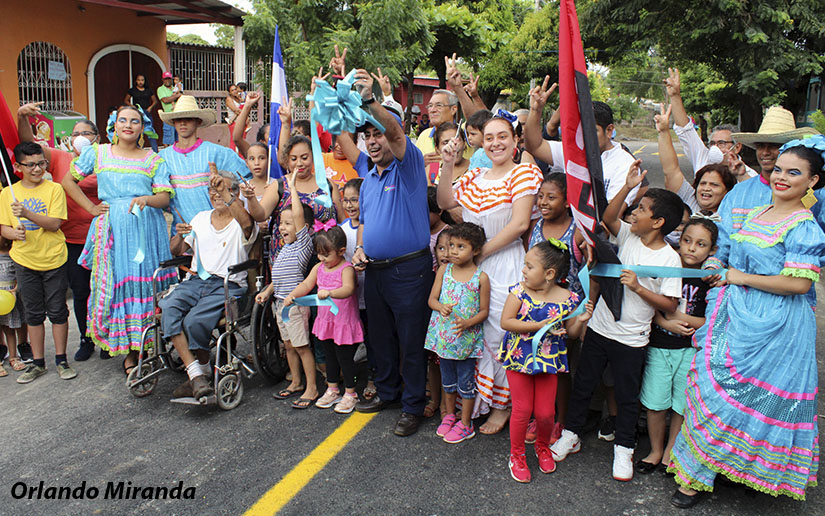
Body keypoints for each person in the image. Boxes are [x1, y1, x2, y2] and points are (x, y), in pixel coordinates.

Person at [668, 136, 825, 508]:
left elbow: (799, 283)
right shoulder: (754, 213)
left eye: (794, 173)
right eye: (780, 170)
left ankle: (744, 468)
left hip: (780, 328)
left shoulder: (806, 227)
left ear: (812, 182)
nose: (782, 177)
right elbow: (726, 254)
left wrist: (738, 277)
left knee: (755, 401)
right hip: (735, 317)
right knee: (715, 393)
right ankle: (697, 475)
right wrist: (715, 265)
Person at [551, 162, 683, 482]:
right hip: (599, 327)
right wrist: (627, 186)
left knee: (626, 396)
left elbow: (669, 303)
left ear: (659, 222)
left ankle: (624, 449)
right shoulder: (629, 236)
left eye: (641, 210)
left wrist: (638, 287)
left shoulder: (669, 258)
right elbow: (609, 218)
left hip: (632, 338)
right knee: (584, 384)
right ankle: (571, 434)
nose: (633, 214)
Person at [437, 116, 543, 435]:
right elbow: (444, 202)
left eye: (502, 136)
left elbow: (520, 224)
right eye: (489, 137)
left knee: (500, 334)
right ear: (481, 142)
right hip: (471, 265)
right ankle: (479, 400)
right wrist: (445, 164)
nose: (495, 143)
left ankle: (503, 406)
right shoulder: (475, 175)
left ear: (515, 141)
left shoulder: (523, 173)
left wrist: (480, 252)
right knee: (474, 335)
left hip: (504, 262)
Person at [350, 69, 434, 438]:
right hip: (377, 273)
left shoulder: (410, 164)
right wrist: (360, 249)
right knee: (380, 340)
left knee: (411, 343)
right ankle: (388, 393)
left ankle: (413, 406)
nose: (372, 140)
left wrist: (371, 100)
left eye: (378, 133)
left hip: (409, 272)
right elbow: (365, 222)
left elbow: (396, 132)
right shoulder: (368, 177)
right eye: (366, 134)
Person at [63, 105, 175, 376]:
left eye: (134, 121)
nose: (128, 125)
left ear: (142, 127)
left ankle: (152, 346)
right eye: (122, 120)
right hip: (114, 232)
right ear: (113, 125)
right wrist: (91, 209)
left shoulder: (152, 159)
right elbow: (68, 181)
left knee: (148, 287)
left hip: (147, 231)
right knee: (119, 288)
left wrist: (147, 199)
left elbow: (164, 197)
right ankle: (130, 351)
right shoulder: (98, 152)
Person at [500, 240, 593, 482]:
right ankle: (517, 455)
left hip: (548, 361)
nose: (524, 270)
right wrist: (538, 326)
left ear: (549, 274)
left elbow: (571, 333)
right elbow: (507, 322)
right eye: (525, 265)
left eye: (529, 267)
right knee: (522, 409)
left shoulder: (568, 299)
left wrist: (581, 319)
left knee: (544, 413)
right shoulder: (518, 292)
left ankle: (542, 446)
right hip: (519, 358)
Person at [161, 170, 257, 400]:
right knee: (168, 306)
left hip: (228, 284)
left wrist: (226, 192)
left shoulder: (241, 220)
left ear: (234, 193)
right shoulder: (200, 218)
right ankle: (197, 374)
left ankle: (200, 371)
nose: (216, 194)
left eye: (222, 189)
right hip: (197, 280)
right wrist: (177, 235)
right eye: (213, 190)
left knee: (194, 321)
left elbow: (246, 223)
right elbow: (177, 251)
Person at [16, 102, 101, 361]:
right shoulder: (61, 158)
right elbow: (27, 147)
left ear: (97, 138)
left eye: (86, 133)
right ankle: (86, 339)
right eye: (75, 134)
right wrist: (21, 116)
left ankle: (107, 339)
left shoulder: (107, 157)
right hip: (72, 238)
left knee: (103, 290)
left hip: (103, 237)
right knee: (80, 291)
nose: (80, 138)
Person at [635, 217, 716, 476]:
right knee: (655, 403)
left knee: (680, 405)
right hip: (659, 345)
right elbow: (650, 306)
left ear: (712, 250)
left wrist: (677, 318)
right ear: (678, 242)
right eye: (687, 241)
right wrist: (665, 322)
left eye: (701, 244)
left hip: (691, 351)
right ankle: (656, 450)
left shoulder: (710, 279)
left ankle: (671, 450)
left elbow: (711, 321)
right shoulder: (667, 267)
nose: (692, 248)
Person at [0, 142, 72, 383]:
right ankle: (38, 363)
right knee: (32, 314)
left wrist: (27, 214)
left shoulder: (54, 189)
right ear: (18, 166)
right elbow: (3, 228)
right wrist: (13, 234)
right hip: (24, 260)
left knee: (58, 311)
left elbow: (54, 224)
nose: (37, 169)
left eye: (41, 163)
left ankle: (62, 360)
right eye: (30, 165)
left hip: (53, 258)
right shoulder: (7, 192)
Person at [525, 172, 583, 442]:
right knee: (537, 363)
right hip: (536, 307)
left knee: (559, 366)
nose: (543, 202)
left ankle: (560, 420)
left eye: (551, 197)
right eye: (541, 196)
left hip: (566, 310)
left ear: (568, 201)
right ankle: (538, 416)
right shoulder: (534, 225)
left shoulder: (577, 231)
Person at [525, 77, 642, 208]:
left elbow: (612, 215)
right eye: (580, 132)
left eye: (592, 131)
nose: (585, 138)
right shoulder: (573, 150)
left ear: (609, 131)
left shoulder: (625, 165)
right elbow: (535, 146)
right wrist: (536, 111)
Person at [285, 223, 364, 414]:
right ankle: (332, 388)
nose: (321, 258)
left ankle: (351, 392)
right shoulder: (319, 267)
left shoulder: (346, 268)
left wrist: (330, 292)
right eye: (319, 254)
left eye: (326, 254)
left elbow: (349, 289)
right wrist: (293, 295)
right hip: (327, 322)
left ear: (341, 251)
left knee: (346, 359)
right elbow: (306, 284)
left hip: (343, 323)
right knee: (330, 357)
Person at [255, 172, 318, 409]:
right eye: (281, 223)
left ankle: (311, 388)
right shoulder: (284, 249)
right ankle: (297, 382)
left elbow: (299, 214)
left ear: (303, 228)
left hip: (295, 306)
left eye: (289, 223)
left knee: (302, 347)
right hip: (280, 303)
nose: (283, 227)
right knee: (289, 346)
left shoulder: (302, 245)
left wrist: (292, 189)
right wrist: (267, 292)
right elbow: (278, 278)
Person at [426, 222, 491, 443]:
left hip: (466, 340)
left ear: (476, 250)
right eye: (451, 245)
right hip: (444, 338)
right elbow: (432, 300)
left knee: (466, 383)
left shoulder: (480, 278)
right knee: (448, 380)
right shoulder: (444, 271)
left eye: (460, 246)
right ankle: (450, 415)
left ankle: (466, 423)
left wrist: (468, 323)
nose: (453, 251)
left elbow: (484, 312)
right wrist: (439, 307)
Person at [158, 95, 251, 229]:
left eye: (188, 119)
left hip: (217, 231)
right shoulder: (162, 158)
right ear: (173, 122)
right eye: (178, 119)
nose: (183, 123)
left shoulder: (218, 153)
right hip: (182, 234)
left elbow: (247, 181)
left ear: (198, 122)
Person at [663, 68, 758, 181]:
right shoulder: (703, 158)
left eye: (721, 143)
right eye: (712, 143)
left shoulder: (749, 177)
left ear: (737, 147)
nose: (715, 148)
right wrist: (675, 96)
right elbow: (685, 129)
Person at [655, 104, 736, 215]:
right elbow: (671, 170)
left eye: (714, 185)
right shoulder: (689, 199)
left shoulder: (734, 214)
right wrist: (663, 132)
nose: (706, 188)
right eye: (702, 183)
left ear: (727, 191)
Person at [339, 177, 376, 400]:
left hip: (369, 294)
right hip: (350, 297)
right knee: (351, 338)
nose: (350, 205)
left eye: (355, 200)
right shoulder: (341, 229)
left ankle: (372, 377)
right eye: (346, 200)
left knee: (373, 339)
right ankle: (349, 377)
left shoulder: (371, 227)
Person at [124, 74, 159, 152]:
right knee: (137, 131)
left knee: (150, 132)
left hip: (147, 112)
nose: (140, 82)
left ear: (144, 81)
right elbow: (126, 100)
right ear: (136, 81)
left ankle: (156, 151)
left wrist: (150, 107)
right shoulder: (132, 90)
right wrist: (133, 107)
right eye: (139, 80)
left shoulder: (148, 90)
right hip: (138, 113)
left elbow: (155, 101)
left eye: (142, 80)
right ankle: (137, 150)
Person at [157, 72, 181, 146]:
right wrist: (177, 96)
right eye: (165, 79)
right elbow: (165, 100)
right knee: (168, 139)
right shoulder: (160, 89)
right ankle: (166, 156)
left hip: (177, 115)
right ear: (163, 80)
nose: (167, 81)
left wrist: (177, 95)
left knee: (178, 139)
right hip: (168, 116)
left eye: (169, 79)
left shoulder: (175, 88)